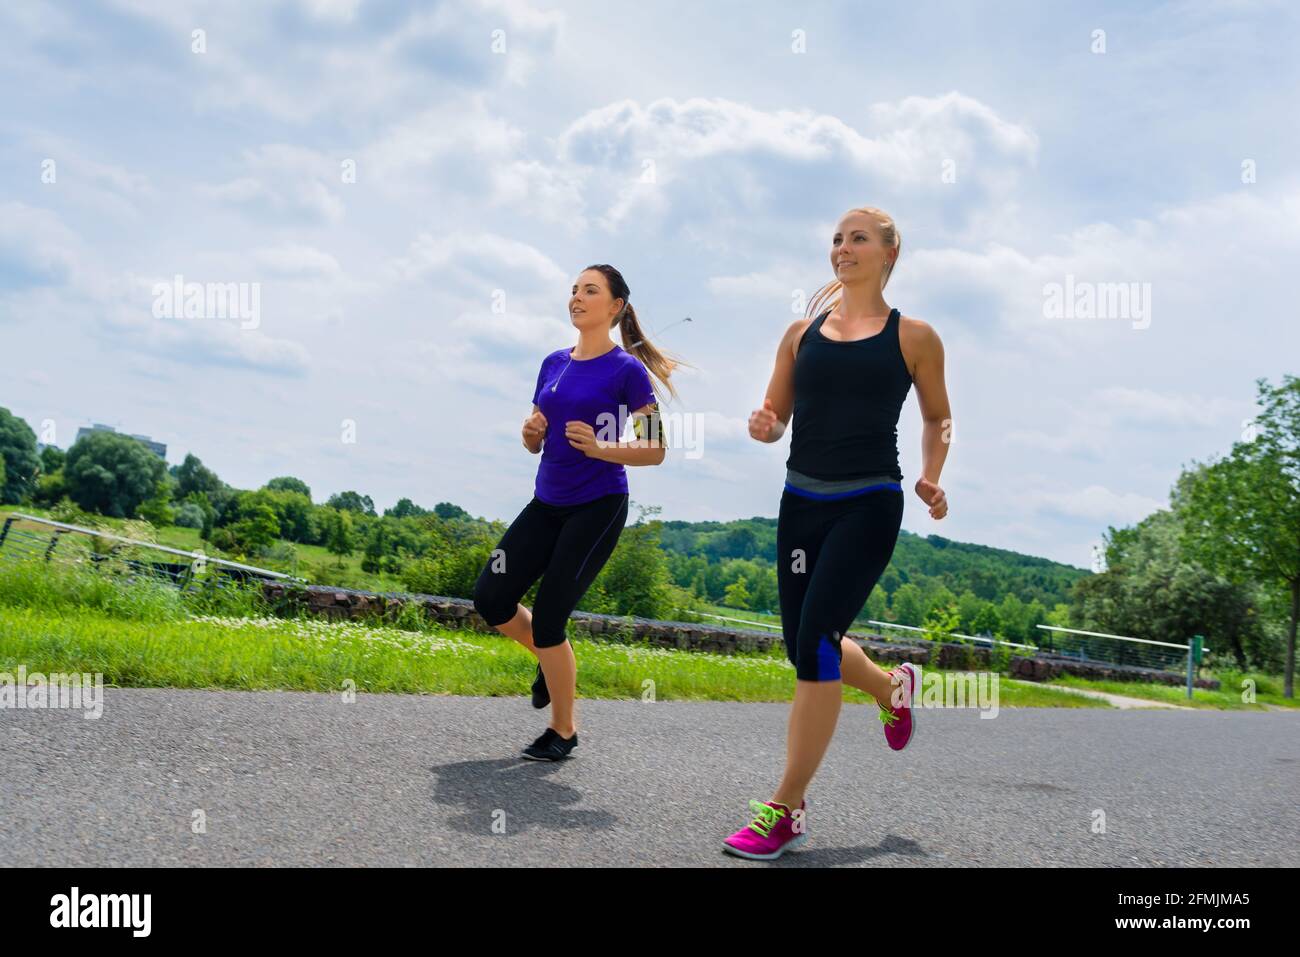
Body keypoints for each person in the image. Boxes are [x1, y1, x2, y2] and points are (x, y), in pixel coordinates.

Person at [724, 206, 952, 859]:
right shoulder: (801, 334)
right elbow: (776, 418)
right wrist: (764, 425)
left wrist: (933, 475)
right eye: (836, 238)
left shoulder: (915, 337)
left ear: (888, 255)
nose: (843, 247)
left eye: (858, 238)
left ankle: (785, 810)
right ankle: (889, 686)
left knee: (818, 644)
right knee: (804, 647)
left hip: (869, 503)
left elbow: (938, 417)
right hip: (801, 502)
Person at [472, 264, 679, 761]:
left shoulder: (626, 370)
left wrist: (603, 446)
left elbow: (655, 450)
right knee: (491, 597)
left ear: (615, 307)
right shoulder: (552, 363)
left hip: (598, 505)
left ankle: (563, 731)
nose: (577, 297)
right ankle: (550, 659)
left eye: (590, 291)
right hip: (547, 502)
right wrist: (530, 435)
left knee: (549, 619)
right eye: (573, 290)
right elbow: (535, 439)